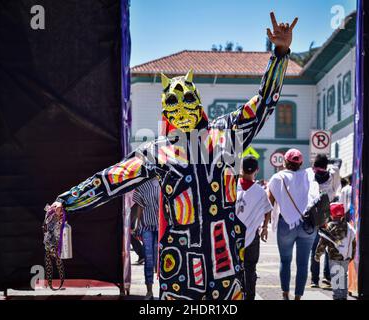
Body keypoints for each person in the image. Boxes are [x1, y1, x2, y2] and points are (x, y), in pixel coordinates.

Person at [43, 12, 298, 300]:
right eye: (172, 102)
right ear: (166, 111)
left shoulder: (226, 133)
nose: (181, 107)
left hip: (224, 263)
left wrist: (279, 53)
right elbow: (110, 180)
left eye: (187, 97)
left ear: (198, 100)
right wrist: (66, 202)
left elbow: (264, 102)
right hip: (180, 269)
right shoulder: (159, 152)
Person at [268, 149, 319, 300]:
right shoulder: (309, 175)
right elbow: (316, 196)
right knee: (303, 264)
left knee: (285, 260)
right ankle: (298, 296)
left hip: (286, 224)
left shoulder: (278, 177)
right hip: (307, 225)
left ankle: (285, 294)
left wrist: (265, 224)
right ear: (301, 163)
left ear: (285, 162)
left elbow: (270, 202)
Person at [236, 156, 272, 300]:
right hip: (252, 236)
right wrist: (264, 227)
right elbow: (268, 209)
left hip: (233, 236)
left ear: (240, 169)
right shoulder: (260, 191)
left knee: (234, 267)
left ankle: (235, 294)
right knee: (250, 268)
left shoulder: (231, 187)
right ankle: (250, 296)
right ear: (257, 170)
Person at [309, 154, 342, 288]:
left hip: (315, 215)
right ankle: (327, 277)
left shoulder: (311, 175)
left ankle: (314, 280)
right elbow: (338, 161)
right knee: (329, 247)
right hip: (330, 215)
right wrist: (326, 162)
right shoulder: (333, 173)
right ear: (325, 165)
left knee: (314, 248)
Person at [315, 203, 356, 300]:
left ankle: (337, 297)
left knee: (336, 278)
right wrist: (352, 256)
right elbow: (354, 242)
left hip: (333, 258)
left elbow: (322, 243)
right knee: (343, 277)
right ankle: (343, 296)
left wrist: (317, 255)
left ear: (331, 214)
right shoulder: (348, 227)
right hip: (345, 257)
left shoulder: (329, 227)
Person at [132, 178, 160, 300]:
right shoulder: (143, 184)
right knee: (149, 258)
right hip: (147, 226)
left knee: (161, 258)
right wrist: (137, 225)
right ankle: (149, 291)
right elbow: (140, 207)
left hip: (162, 227)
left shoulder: (165, 182)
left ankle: (165, 290)